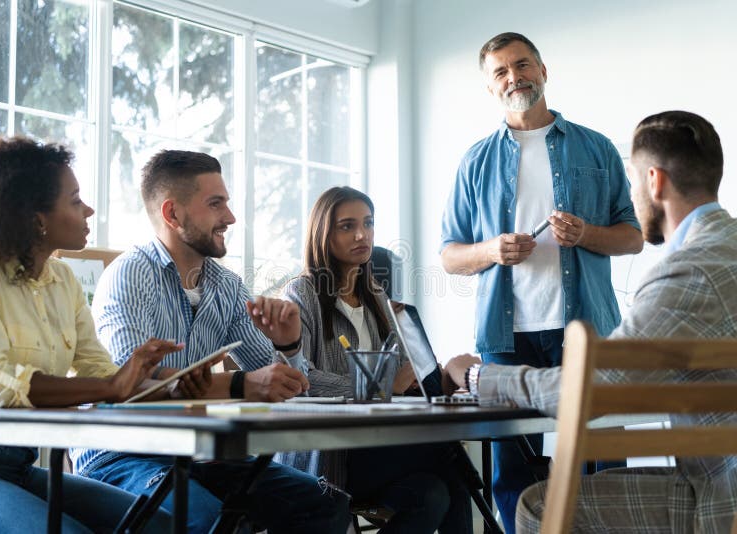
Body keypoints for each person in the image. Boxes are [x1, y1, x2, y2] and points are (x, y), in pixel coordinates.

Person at [444, 110, 737, 532]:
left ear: (654, 181)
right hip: (718, 478)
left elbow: (595, 390)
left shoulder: (687, 274)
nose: (632, 196)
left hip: (717, 497)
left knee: (538, 504)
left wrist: (476, 377)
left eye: (633, 181)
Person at [70, 150, 350, 534]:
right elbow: (130, 385)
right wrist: (241, 386)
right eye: (216, 204)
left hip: (195, 453)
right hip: (120, 453)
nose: (231, 218)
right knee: (214, 521)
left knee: (323, 504)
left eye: (227, 203)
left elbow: (282, 385)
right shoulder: (130, 275)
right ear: (172, 214)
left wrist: (289, 347)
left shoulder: (227, 287)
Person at [439, 31, 643, 531]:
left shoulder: (595, 148)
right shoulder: (475, 162)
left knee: (603, 462)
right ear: (491, 88)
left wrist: (587, 233)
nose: (515, 77)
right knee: (514, 472)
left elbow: (633, 238)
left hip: (588, 331)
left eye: (522, 64)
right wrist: (492, 250)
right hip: (505, 339)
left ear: (543, 70)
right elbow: (448, 256)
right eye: (501, 72)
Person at [0, 136, 179, 533]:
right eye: (75, 200)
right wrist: (113, 386)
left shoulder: (62, 280)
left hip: (16, 465)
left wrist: (173, 385)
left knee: (160, 527)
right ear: (36, 218)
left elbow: (104, 374)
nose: (89, 209)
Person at [281, 186, 473, 533]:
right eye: (347, 226)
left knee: (433, 493)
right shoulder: (302, 293)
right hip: (330, 454)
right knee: (448, 457)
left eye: (368, 224)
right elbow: (301, 380)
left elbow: (406, 374)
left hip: (380, 445)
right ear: (323, 234)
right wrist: (381, 384)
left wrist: (441, 380)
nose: (361, 234)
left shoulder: (379, 297)